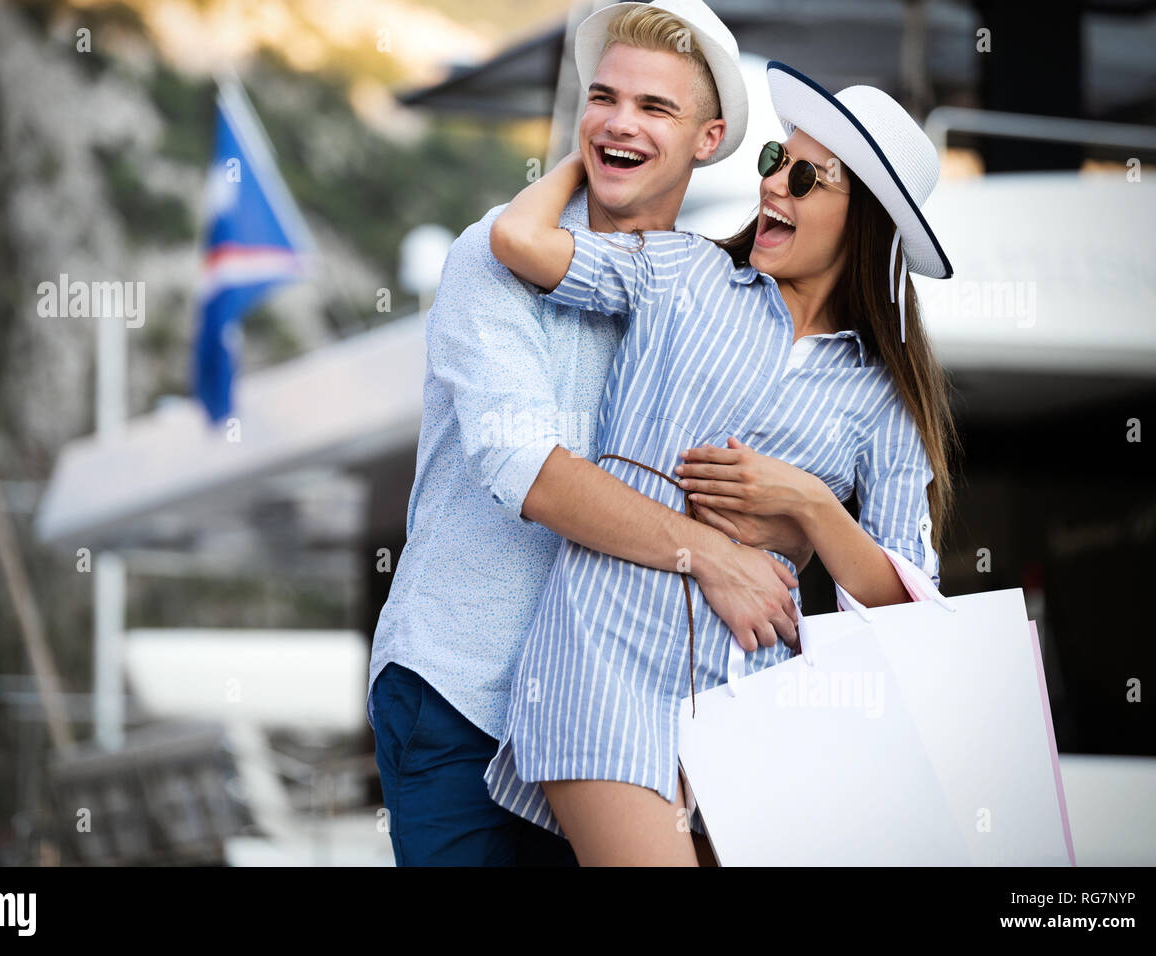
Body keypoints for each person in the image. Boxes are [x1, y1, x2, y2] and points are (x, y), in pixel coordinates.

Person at [483, 59, 961, 865]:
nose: (775, 186)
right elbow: (518, 240)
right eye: (777, 160)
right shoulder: (680, 271)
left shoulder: (884, 399)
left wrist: (811, 504)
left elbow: (907, 604)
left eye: (807, 177)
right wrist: (587, 149)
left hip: (752, 706)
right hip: (602, 659)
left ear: (867, 221)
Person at [366, 0, 807, 866]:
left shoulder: (707, 298)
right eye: (603, 98)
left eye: (655, 109)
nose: (619, 122)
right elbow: (525, 468)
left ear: (709, 139)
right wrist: (707, 556)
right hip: (467, 695)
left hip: (613, 722)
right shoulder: (489, 258)